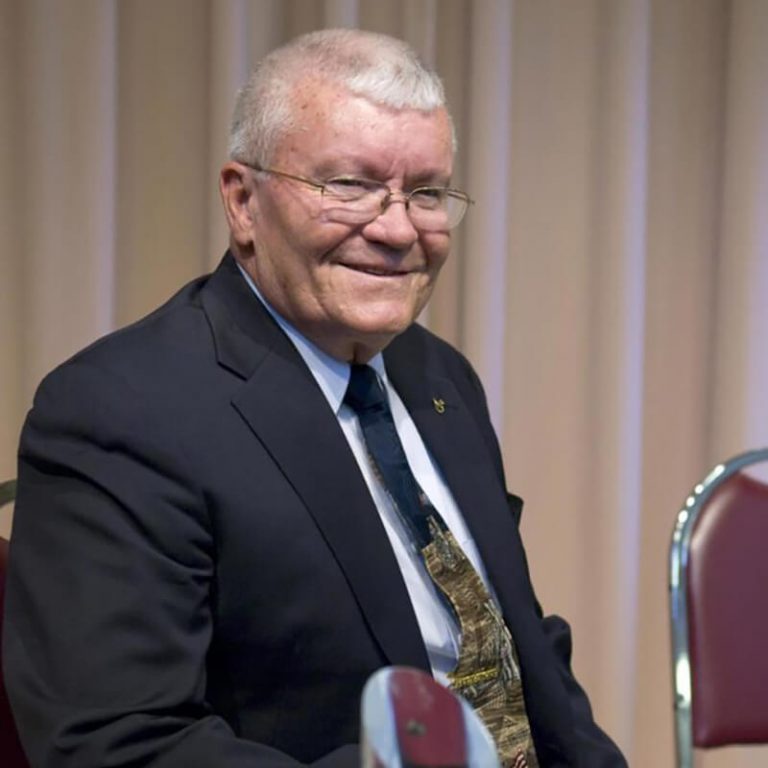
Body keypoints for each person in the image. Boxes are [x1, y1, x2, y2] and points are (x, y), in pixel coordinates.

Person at [3, 29, 626, 768]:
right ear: (242, 201)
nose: (397, 230)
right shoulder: (120, 413)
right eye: (351, 186)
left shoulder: (439, 377)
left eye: (426, 193)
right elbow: (118, 743)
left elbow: (516, 645)